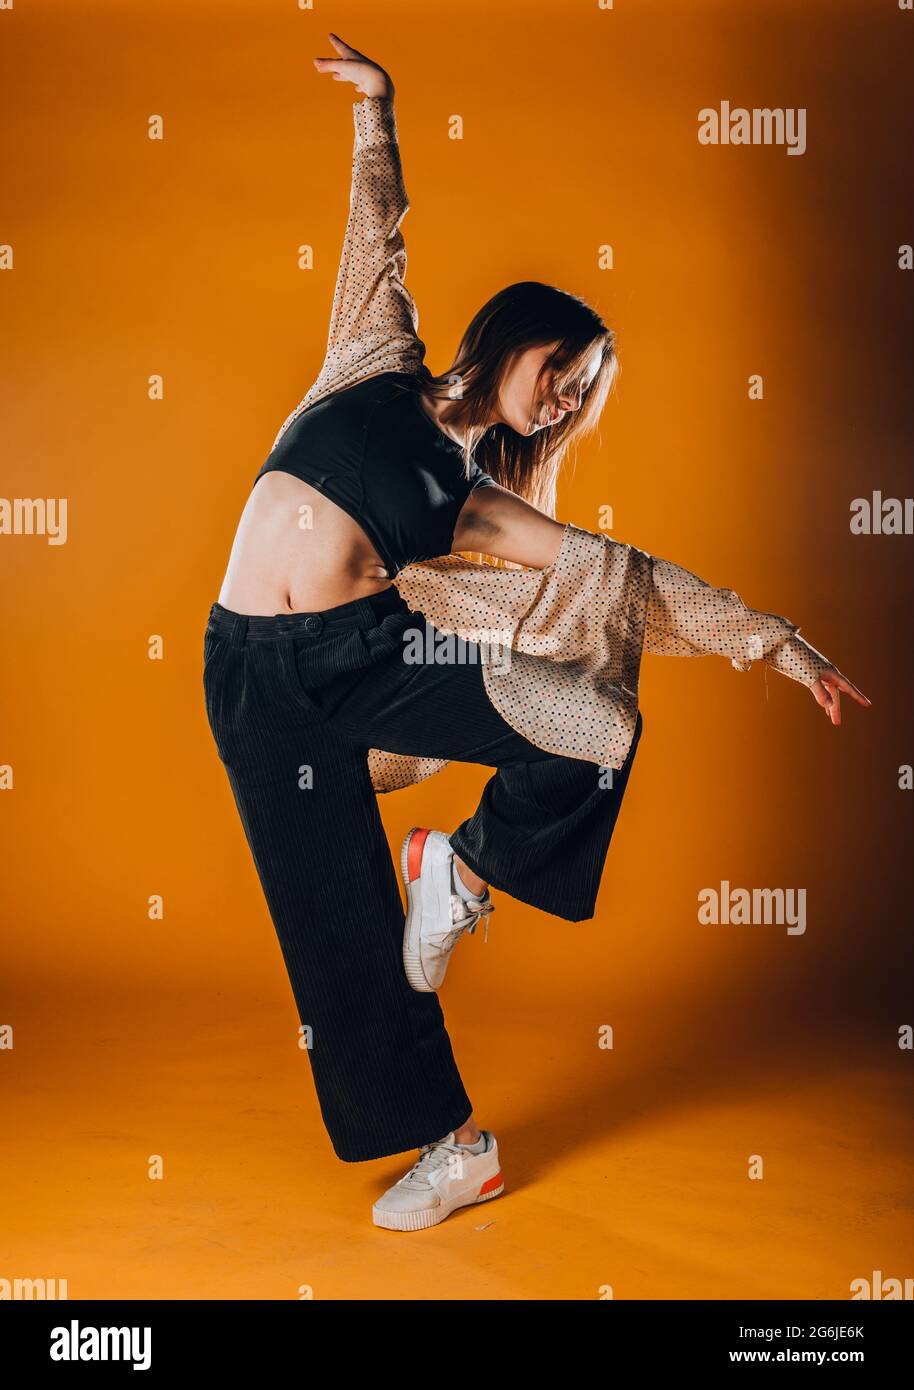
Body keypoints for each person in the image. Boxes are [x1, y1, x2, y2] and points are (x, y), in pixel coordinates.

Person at [203, 35, 871, 1232]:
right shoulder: (373, 359)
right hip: (246, 678)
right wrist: (378, 110)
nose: (566, 397)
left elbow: (632, 581)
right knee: (337, 938)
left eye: (584, 391)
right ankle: (455, 1148)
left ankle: (456, 873)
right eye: (567, 367)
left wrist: (776, 642)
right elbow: (375, 232)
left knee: (597, 724)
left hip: (368, 662)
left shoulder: (479, 506)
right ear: (517, 334)